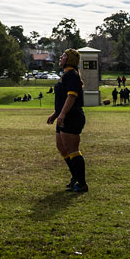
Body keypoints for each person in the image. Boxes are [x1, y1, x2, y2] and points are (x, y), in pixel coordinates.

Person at [47, 49, 87, 193]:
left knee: (72, 149)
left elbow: (71, 97)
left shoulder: (71, 75)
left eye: (63, 55)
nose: (61, 57)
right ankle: (75, 177)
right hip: (64, 115)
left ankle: (82, 183)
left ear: (69, 59)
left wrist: (63, 114)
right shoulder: (66, 74)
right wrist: (55, 114)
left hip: (72, 116)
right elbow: (63, 99)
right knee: (62, 147)